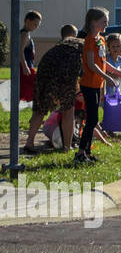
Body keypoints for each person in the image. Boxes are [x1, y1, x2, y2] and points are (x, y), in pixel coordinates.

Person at [77, 7, 121, 164]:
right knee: (92, 119)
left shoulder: (101, 39)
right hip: (88, 84)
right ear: (94, 22)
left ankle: (87, 153)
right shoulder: (90, 40)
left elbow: (103, 62)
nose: (107, 24)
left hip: (97, 84)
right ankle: (80, 154)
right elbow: (91, 64)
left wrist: (117, 73)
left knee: (93, 119)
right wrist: (107, 77)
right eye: (104, 21)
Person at [22, 24, 82, 155]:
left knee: (40, 108)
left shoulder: (57, 47)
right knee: (68, 110)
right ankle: (67, 146)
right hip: (64, 74)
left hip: (44, 70)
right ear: (75, 35)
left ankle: (29, 142)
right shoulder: (79, 44)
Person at [17, 9, 41, 105]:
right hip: (26, 68)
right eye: (35, 24)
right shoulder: (24, 34)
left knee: (21, 92)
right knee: (39, 89)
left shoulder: (26, 33)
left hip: (27, 66)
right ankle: (38, 115)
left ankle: (14, 116)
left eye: (38, 25)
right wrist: (25, 66)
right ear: (27, 21)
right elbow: (20, 51)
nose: (36, 27)